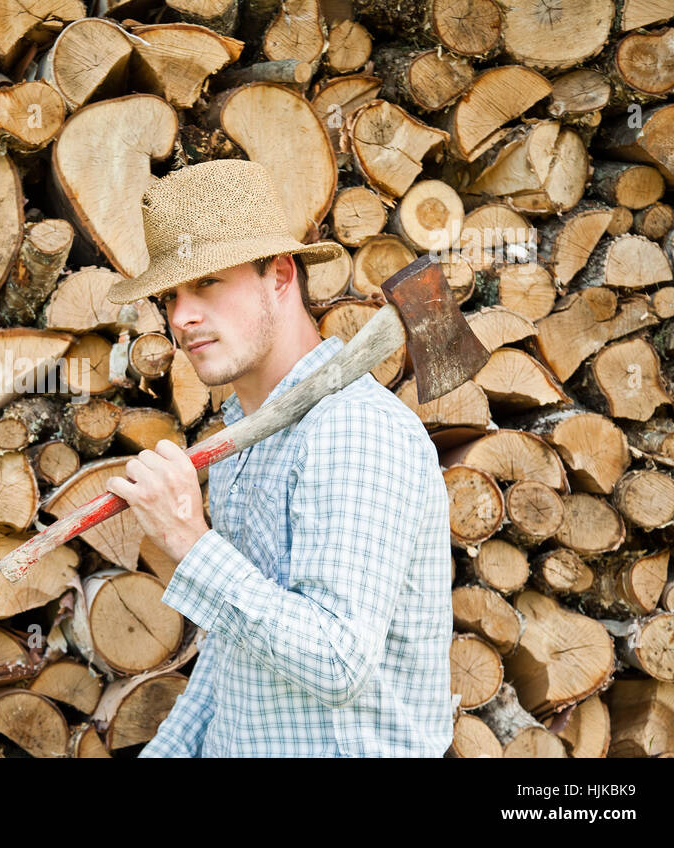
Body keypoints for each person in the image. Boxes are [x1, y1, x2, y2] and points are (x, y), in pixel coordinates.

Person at [103, 159, 453, 757]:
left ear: (281, 275)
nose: (182, 317)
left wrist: (192, 545)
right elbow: (230, 660)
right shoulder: (247, 439)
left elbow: (338, 662)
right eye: (172, 295)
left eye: (208, 281)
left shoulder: (352, 432)